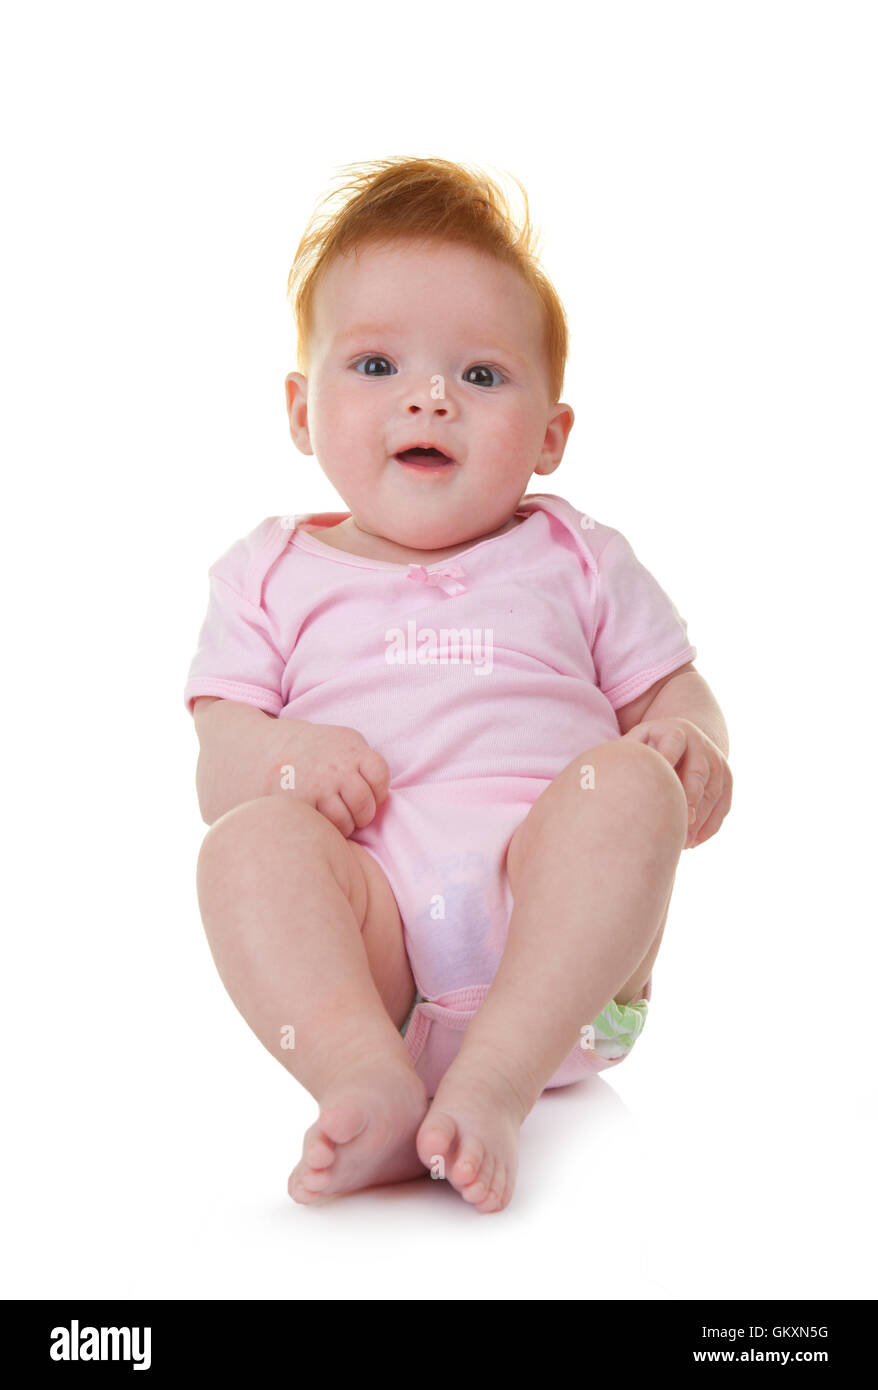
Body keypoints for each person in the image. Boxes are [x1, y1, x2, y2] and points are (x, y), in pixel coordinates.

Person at [185, 156, 733, 1214]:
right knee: (246, 847)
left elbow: (673, 693)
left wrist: (688, 745)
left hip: (568, 961)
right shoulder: (265, 570)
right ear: (301, 410)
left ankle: (495, 1079)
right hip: (376, 959)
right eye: (376, 364)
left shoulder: (575, 554)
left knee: (622, 787)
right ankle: (362, 1074)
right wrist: (284, 759)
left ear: (548, 437)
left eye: (479, 376)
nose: (429, 395)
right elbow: (221, 762)